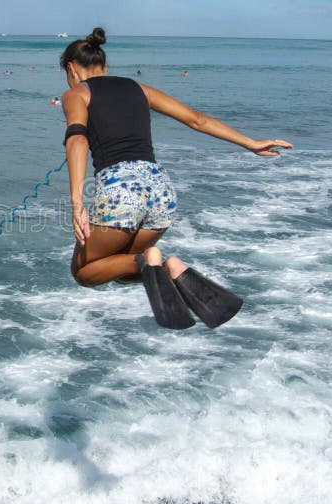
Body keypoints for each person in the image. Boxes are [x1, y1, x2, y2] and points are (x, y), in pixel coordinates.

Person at [61, 28, 292, 329]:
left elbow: (77, 139)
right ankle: (169, 267)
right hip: (161, 191)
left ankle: (151, 261)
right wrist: (250, 143)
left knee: (84, 272)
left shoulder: (76, 93)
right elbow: (197, 119)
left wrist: (77, 200)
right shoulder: (139, 89)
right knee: (118, 270)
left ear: (71, 69)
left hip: (122, 191)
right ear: (104, 64)